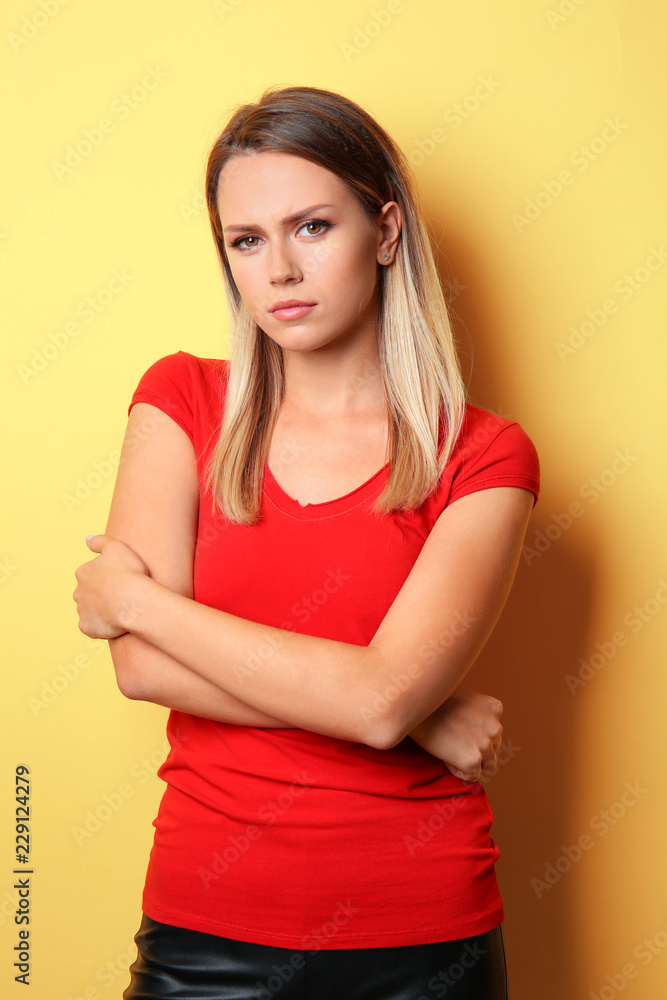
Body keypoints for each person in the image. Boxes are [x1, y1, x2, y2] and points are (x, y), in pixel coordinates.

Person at [73, 84, 540, 999]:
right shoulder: (181, 401)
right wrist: (418, 717)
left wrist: (139, 600)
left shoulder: (483, 455)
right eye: (247, 241)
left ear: (388, 232)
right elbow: (142, 669)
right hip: (206, 925)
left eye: (312, 227)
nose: (279, 268)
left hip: (422, 939)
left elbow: (372, 704)